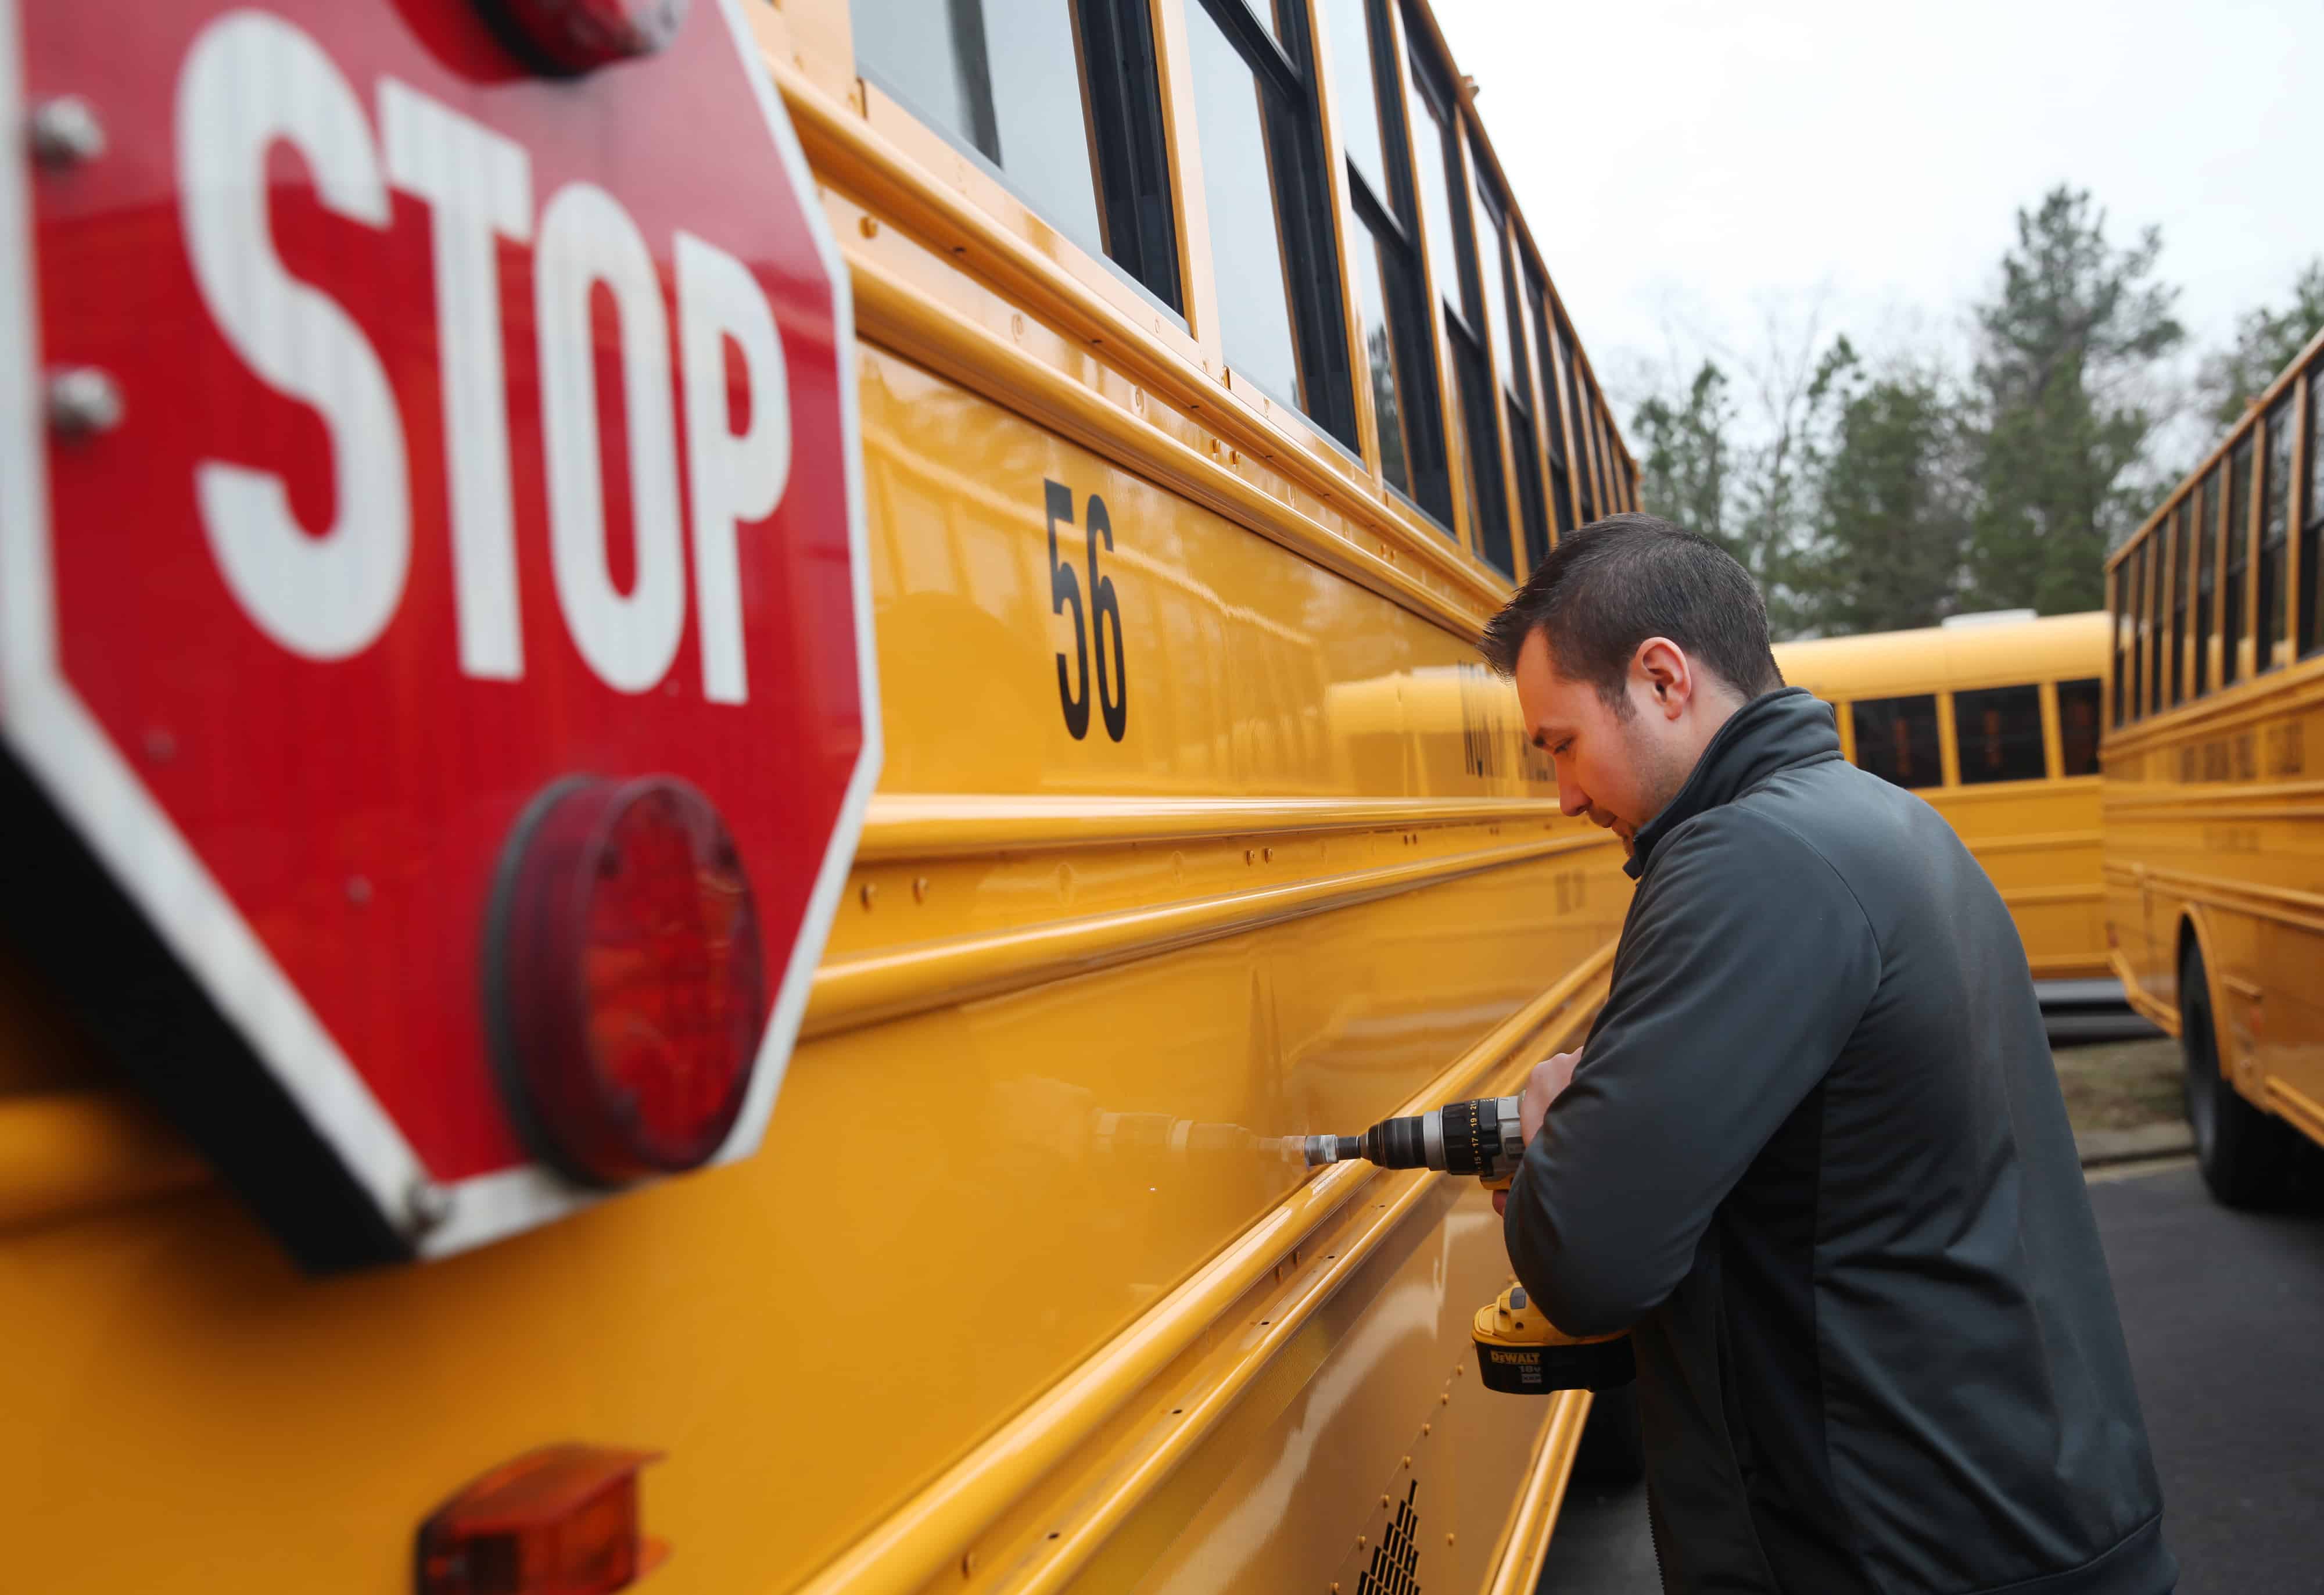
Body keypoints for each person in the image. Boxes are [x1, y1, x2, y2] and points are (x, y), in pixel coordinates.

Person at [1483, 515, 2173, 1594]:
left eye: (1561, 744)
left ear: (1664, 679)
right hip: (2019, 1521)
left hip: (1897, 1553)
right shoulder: (1890, 823)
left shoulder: (1747, 863)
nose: (1566, 795)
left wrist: (1547, 1135)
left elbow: (1590, 1258)